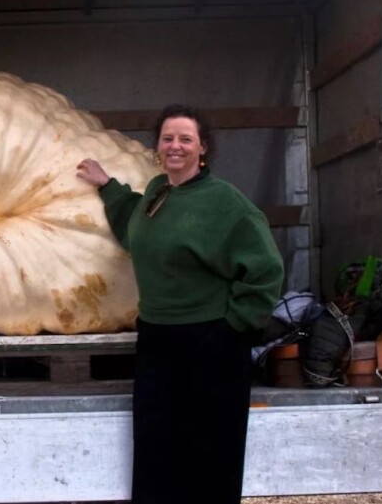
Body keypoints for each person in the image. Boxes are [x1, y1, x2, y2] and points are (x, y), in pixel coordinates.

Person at [76, 104, 283, 504]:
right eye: (167, 138)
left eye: (186, 139)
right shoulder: (158, 191)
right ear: (158, 146)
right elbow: (135, 227)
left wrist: (235, 326)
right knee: (156, 447)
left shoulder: (225, 203)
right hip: (157, 340)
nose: (175, 146)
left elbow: (266, 269)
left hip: (212, 342)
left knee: (210, 451)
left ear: (203, 148)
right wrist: (108, 186)